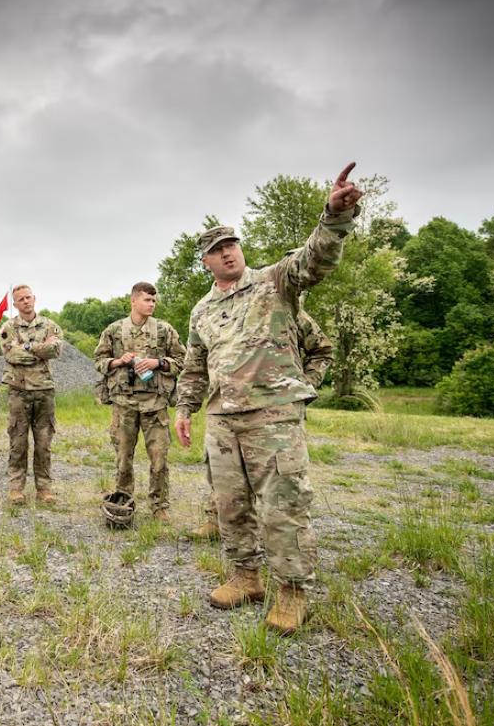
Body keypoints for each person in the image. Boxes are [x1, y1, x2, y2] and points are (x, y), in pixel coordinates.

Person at [174, 162, 364, 635]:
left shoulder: (274, 282)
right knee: (229, 504)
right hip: (222, 419)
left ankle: (292, 592)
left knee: (283, 504)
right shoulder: (202, 310)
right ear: (206, 262)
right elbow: (195, 365)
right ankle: (245, 577)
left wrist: (333, 216)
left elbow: (314, 260)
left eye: (232, 245)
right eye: (217, 250)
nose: (228, 253)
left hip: (272, 416)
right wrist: (184, 408)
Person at [192, 310, 334, 541]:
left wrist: (303, 384)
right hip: (228, 407)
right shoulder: (221, 308)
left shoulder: (283, 306)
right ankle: (216, 521)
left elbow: (322, 350)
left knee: (278, 481)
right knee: (226, 474)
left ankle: (284, 546)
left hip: (275, 411)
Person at [93, 282, 186, 520]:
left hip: (155, 404)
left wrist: (159, 363)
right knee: (123, 456)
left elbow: (182, 361)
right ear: (133, 301)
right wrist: (118, 361)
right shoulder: (114, 330)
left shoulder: (164, 330)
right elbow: (99, 361)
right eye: (147, 300)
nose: (151, 305)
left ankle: (159, 505)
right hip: (124, 404)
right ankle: (123, 501)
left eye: (154, 301)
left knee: (159, 457)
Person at [0, 285, 63, 504]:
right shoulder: (8, 326)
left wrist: (26, 346)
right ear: (15, 304)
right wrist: (37, 349)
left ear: (34, 299)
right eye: (20, 299)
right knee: (18, 441)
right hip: (19, 390)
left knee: (44, 442)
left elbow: (55, 350)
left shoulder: (50, 326)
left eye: (28, 297)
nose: (25, 301)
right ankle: (16, 488)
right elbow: (12, 354)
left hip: (44, 390)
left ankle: (44, 488)